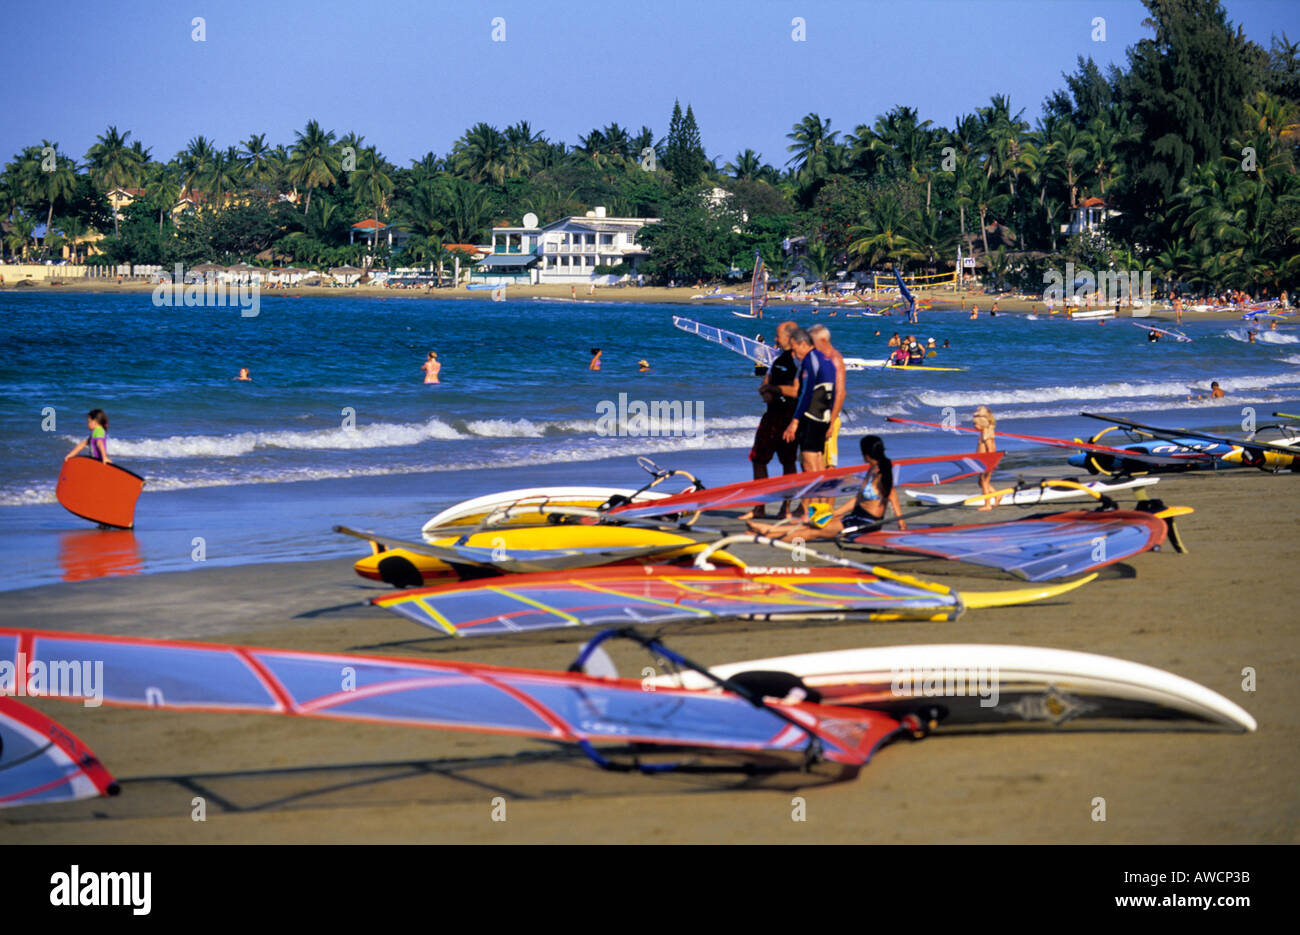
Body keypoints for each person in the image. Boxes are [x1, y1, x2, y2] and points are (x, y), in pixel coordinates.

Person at [746, 435, 905, 541]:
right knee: (813, 524)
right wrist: (834, 513)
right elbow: (858, 499)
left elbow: (895, 504)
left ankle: (764, 536)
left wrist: (903, 530)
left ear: (867, 453)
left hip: (865, 524)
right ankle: (767, 529)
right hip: (855, 516)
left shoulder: (884, 476)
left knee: (813, 532)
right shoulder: (871, 470)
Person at [746, 320, 800, 518]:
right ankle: (760, 506)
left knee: (788, 461)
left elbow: (797, 390)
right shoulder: (778, 359)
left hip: (790, 415)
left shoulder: (799, 360)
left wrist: (773, 389)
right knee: (758, 458)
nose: (775, 339)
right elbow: (765, 382)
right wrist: (765, 392)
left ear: (791, 337)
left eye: (778, 336)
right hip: (773, 412)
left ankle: (785, 508)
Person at [782, 328, 835, 479]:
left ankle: (815, 499)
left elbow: (807, 391)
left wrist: (795, 421)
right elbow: (835, 391)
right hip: (824, 416)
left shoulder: (809, 360)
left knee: (809, 462)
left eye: (794, 348)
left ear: (804, 344)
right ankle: (819, 501)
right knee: (818, 459)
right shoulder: (826, 359)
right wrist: (831, 419)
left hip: (812, 415)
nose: (793, 353)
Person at [808, 324, 847, 468]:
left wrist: (830, 422)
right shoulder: (818, 357)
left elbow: (840, 393)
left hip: (829, 416)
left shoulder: (834, 358)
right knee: (811, 459)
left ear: (823, 340)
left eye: (813, 342)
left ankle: (828, 490)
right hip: (814, 416)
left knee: (828, 462)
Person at [972, 405, 997, 511]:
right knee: (981, 482)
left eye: (975, 424)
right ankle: (997, 495)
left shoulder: (986, 436)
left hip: (987, 462)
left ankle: (987, 504)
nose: (974, 426)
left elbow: (991, 449)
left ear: (981, 424)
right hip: (982, 461)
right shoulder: (983, 433)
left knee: (984, 482)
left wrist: (990, 462)